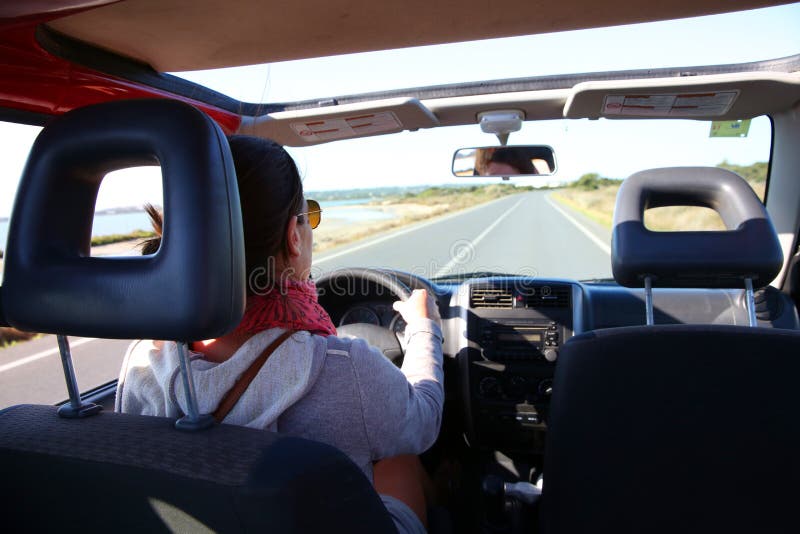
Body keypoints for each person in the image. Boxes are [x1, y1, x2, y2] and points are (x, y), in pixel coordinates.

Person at [116, 135, 444, 533]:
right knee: (399, 454)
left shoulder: (143, 361)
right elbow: (423, 420)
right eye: (309, 216)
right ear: (294, 235)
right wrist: (425, 327)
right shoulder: (344, 367)